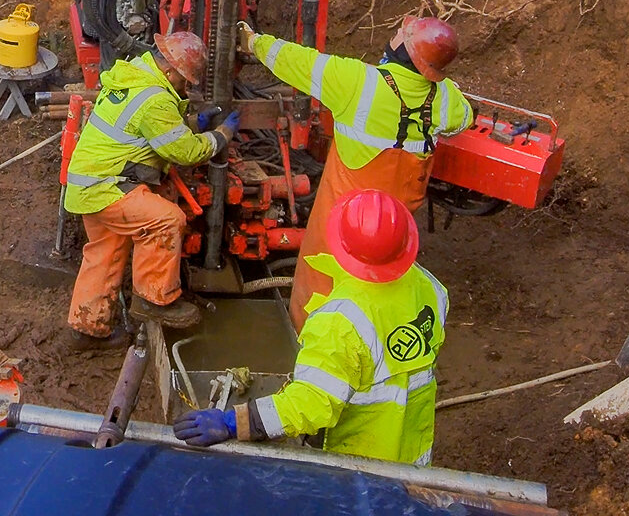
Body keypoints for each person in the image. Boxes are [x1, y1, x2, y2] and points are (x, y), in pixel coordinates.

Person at [172, 190, 447, 466]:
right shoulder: (429, 287)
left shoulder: (339, 322)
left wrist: (236, 422)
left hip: (363, 466)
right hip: (413, 459)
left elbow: (311, 403)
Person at [236, 16, 472, 327]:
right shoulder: (445, 98)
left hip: (342, 222)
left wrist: (253, 41)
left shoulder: (358, 82)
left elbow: (295, 61)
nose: (395, 33)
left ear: (408, 51)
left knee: (320, 288)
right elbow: (463, 118)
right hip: (394, 229)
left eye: (401, 32)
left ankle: (308, 340)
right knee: (379, 290)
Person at [64, 31, 239, 346]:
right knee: (166, 219)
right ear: (170, 71)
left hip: (88, 185)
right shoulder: (156, 99)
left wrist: (192, 125)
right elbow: (185, 152)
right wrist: (222, 135)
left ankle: (87, 331)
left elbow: (146, 130)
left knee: (106, 253)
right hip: (108, 186)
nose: (185, 87)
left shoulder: (136, 75)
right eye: (184, 80)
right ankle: (154, 299)